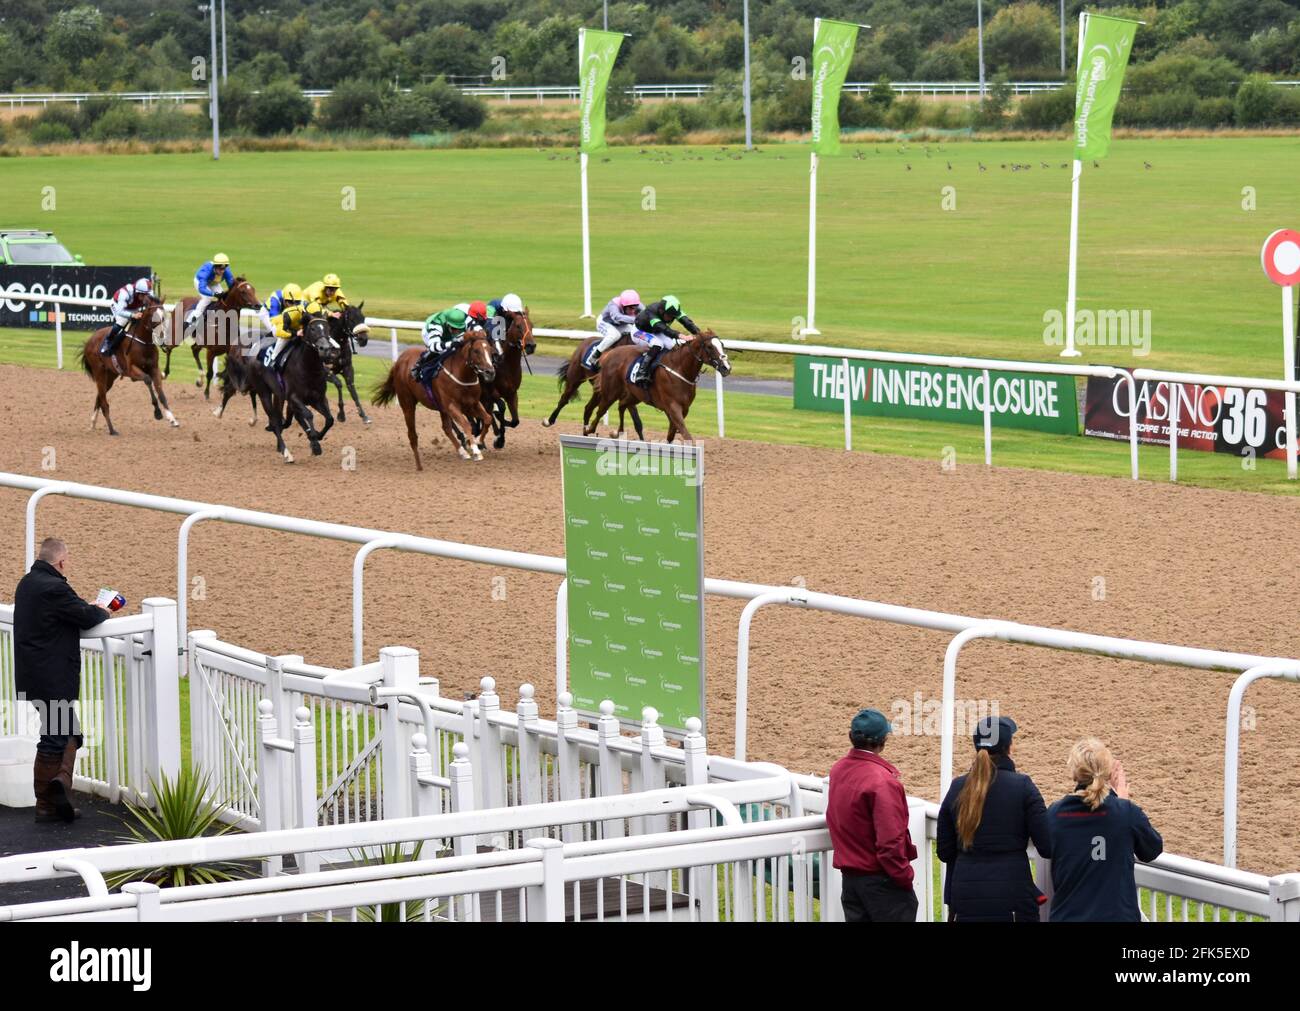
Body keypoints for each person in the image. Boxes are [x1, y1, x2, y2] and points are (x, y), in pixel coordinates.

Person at [14, 538, 113, 824]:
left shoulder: (27, 583)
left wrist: (84, 607)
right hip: (52, 677)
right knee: (55, 737)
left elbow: (64, 613)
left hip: (33, 674)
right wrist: (103, 610)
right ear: (61, 562)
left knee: (68, 732)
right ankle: (47, 801)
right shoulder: (55, 587)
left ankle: (59, 787)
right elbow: (84, 616)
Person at [936, 715, 1052, 922]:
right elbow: (1046, 845)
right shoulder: (1023, 786)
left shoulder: (957, 787)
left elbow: (945, 851)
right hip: (1012, 897)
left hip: (965, 897)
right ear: (1010, 747)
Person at [1046, 737, 1163, 922]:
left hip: (1069, 915)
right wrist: (1123, 802)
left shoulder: (1056, 814)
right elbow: (1152, 849)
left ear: (1075, 773)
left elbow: (1046, 848)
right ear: (1107, 772)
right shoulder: (1124, 812)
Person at [825, 707, 919, 922]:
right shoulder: (882, 781)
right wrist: (904, 877)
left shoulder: (838, 769)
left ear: (851, 736)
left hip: (851, 880)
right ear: (883, 740)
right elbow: (890, 842)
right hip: (882, 882)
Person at [630, 295, 701, 387]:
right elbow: (663, 328)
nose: (671, 318)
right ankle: (642, 372)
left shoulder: (673, 311)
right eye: (669, 316)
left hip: (655, 331)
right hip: (639, 331)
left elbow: (687, 322)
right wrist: (681, 336)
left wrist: (699, 334)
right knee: (658, 344)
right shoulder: (651, 312)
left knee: (672, 346)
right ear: (661, 311)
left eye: (673, 316)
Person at [583, 289, 642, 370]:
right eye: (630, 308)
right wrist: (636, 319)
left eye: (635, 308)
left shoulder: (636, 304)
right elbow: (617, 317)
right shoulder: (613, 305)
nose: (633, 310)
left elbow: (645, 313)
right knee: (614, 335)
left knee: (634, 332)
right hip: (605, 322)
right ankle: (594, 355)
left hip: (620, 324)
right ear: (623, 306)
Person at [99, 277, 156, 358]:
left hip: (132, 307)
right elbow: (120, 311)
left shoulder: (148, 293)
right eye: (143, 295)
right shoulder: (124, 293)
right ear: (137, 292)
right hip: (117, 306)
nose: (145, 298)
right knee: (123, 321)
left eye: (146, 295)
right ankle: (108, 341)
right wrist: (133, 315)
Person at [415, 306, 471, 381]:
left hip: (447, 333)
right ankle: (420, 367)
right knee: (441, 351)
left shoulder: (465, 319)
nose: (457, 331)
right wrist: (450, 344)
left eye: (459, 328)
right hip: (429, 334)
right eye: (454, 328)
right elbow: (433, 347)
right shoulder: (436, 325)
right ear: (447, 324)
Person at [187, 253, 234, 336]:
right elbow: (202, 288)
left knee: (223, 298)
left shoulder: (226, 271)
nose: (222, 271)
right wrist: (213, 294)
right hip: (200, 282)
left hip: (214, 283)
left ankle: (216, 318)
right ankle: (191, 319)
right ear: (215, 266)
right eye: (220, 269)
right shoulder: (206, 270)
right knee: (207, 298)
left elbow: (231, 285)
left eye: (224, 268)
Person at [268, 297, 319, 372]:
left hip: (295, 327)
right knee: (284, 339)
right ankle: (273, 360)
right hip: (278, 327)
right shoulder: (291, 314)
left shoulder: (312, 311)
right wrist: (295, 333)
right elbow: (280, 332)